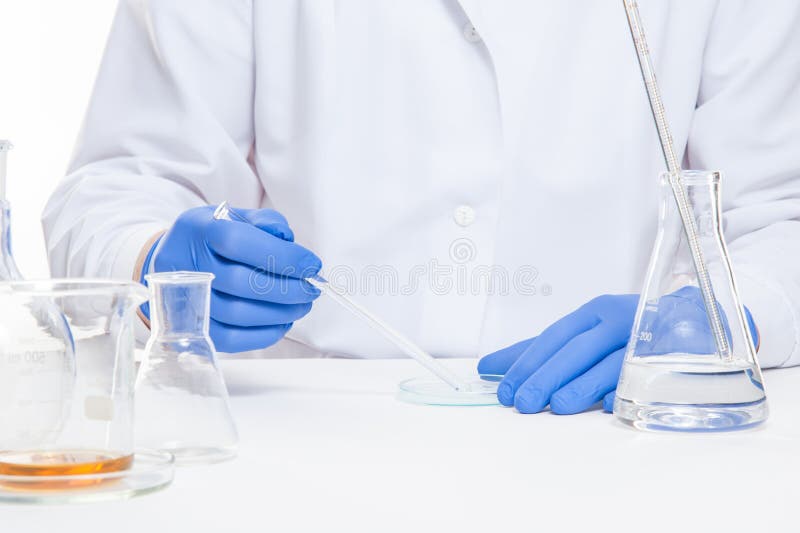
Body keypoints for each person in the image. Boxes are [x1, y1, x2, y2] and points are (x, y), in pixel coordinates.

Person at [43, 1, 800, 415]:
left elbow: (784, 213)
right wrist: (152, 267)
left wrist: (715, 316)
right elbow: (117, 183)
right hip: (303, 441)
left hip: (618, 430)